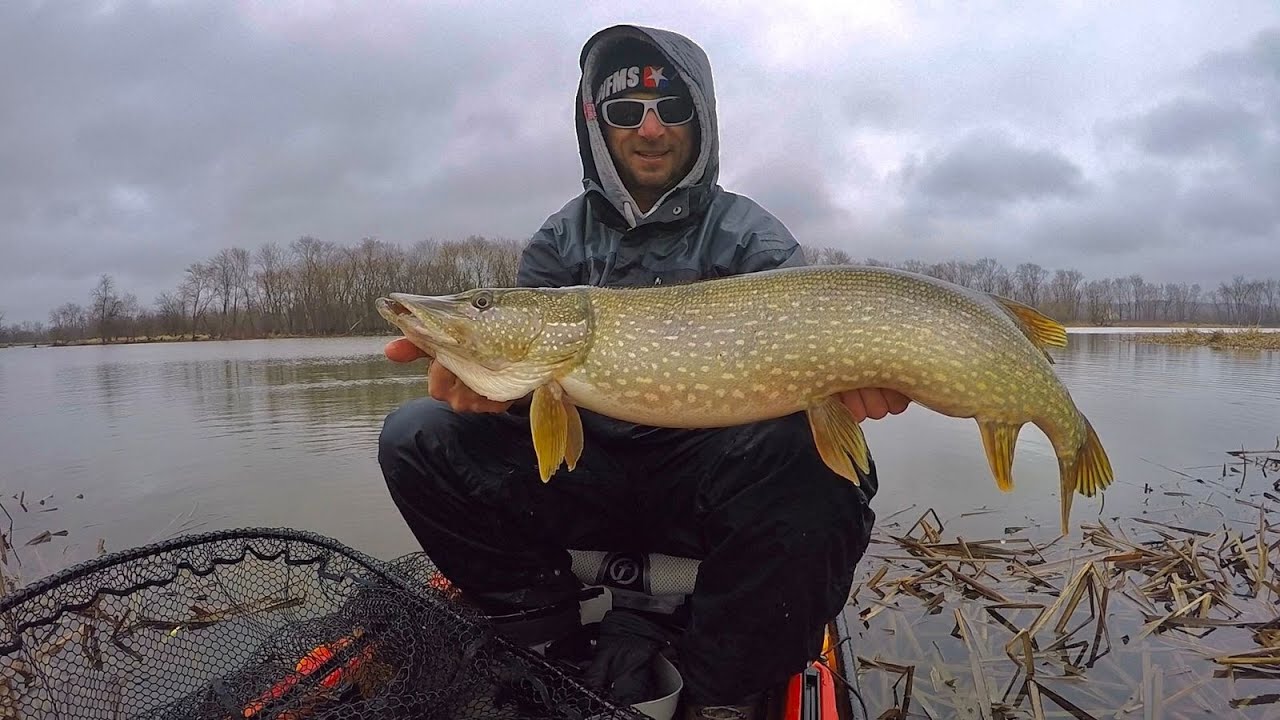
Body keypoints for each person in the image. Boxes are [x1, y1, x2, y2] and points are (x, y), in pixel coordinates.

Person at [377, 24, 910, 720]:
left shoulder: (754, 238)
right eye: (628, 113)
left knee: (821, 462)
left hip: (709, 489)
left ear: (700, 120)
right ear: (599, 125)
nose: (651, 130)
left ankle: (724, 686)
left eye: (672, 111)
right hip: (589, 476)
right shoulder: (558, 243)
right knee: (417, 434)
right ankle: (546, 638)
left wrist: (843, 388)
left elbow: (803, 388)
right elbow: (539, 398)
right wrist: (491, 392)